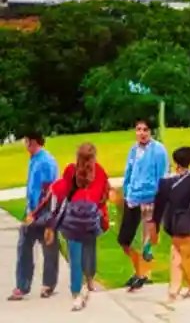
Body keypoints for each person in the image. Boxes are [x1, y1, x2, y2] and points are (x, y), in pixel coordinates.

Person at [43, 144, 109, 312]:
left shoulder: (70, 170)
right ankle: (90, 282)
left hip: (72, 222)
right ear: (94, 156)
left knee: (75, 257)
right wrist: (104, 218)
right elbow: (102, 198)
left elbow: (61, 196)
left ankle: (76, 292)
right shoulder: (100, 172)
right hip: (90, 221)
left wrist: (52, 224)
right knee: (90, 251)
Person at [151, 147, 190, 302]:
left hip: (171, 223)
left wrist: (155, 227)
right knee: (187, 255)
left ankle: (175, 287)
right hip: (186, 223)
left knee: (175, 253)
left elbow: (159, 206)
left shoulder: (166, 183)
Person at [10, 131, 59, 301]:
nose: (25, 145)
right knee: (24, 246)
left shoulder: (45, 162)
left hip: (43, 211)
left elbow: (48, 192)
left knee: (49, 247)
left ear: (33, 142)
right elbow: (32, 189)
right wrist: (27, 210)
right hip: (32, 211)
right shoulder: (34, 159)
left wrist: (36, 212)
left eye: (26, 141)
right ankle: (22, 285)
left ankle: (48, 284)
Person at [120, 119, 167, 292]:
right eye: (138, 129)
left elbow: (161, 176)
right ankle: (139, 271)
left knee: (146, 240)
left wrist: (157, 198)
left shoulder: (158, 150)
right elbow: (129, 172)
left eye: (145, 130)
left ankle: (145, 275)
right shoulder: (133, 150)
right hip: (133, 198)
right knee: (126, 239)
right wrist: (126, 192)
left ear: (151, 132)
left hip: (150, 199)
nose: (141, 133)